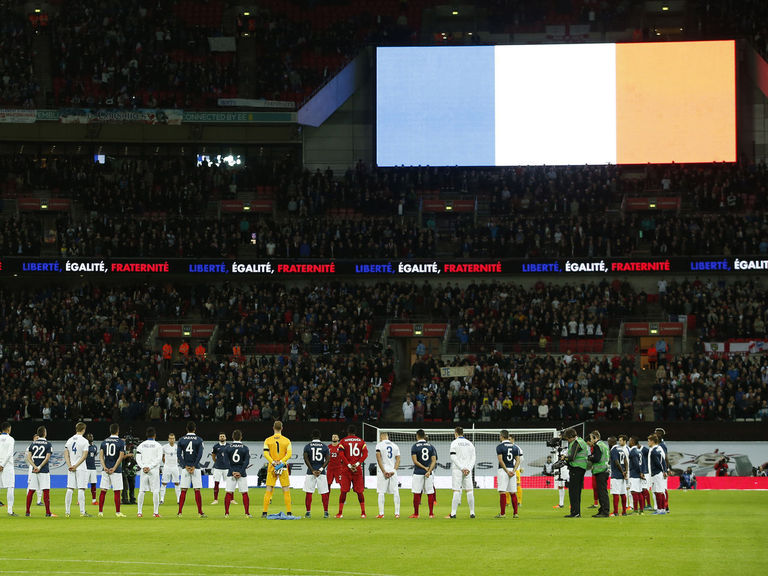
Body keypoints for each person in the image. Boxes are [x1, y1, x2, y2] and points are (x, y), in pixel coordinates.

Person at [262, 420, 293, 518]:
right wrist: (282, 462)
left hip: (272, 466)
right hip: (282, 467)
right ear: (282, 428)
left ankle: (264, 512)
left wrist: (273, 462)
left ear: (273, 428)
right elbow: (289, 454)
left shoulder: (268, 440)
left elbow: (265, 453)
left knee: (269, 489)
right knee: (286, 489)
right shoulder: (287, 440)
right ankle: (288, 512)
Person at [336, 424, 368, 518]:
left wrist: (349, 465)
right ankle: (363, 513)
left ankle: (340, 513)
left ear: (348, 432)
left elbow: (341, 455)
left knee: (343, 491)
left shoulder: (343, 441)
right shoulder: (361, 441)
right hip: (357, 469)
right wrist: (357, 464)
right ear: (355, 432)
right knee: (360, 492)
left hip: (346, 469)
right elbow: (365, 454)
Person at [177, 420, 206, 518]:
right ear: (195, 429)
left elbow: (179, 455)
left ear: (186, 429)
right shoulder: (199, 440)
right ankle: (200, 512)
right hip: (196, 468)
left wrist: (185, 465)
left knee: (183, 490)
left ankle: (180, 512)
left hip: (185, 468)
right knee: (197, 490)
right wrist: (194, 465)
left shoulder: (181, 440)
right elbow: (200, 454)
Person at [98, 423, 126, 518]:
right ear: (118, 430)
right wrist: (114, 468)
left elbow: (101, 456)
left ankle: (100, 512)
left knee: (103, 490)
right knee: (117, 491)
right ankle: (118, 512)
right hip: (116, 470)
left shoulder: (104, 441)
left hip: (105, 469)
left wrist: (104, 466)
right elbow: (121, 456)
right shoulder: (121, 442)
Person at [25, 426, 55, 517]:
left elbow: (28, 458)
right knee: (46, 491)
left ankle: (27, 512)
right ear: (44, 433)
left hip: (34, 471)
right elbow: (47, 457)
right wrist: (40, 466)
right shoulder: (48, 444)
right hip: (44, 470)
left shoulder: (33, 444)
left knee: (31, 491)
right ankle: (48, 512)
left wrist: (35, 467)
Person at [447, 426, 476, 519]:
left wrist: (461, 467)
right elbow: (473, 458)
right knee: (469, 490)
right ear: (463, 433)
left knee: (456, 490)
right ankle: (472, 513)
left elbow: (453, 457)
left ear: (455, 433)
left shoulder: (454, 443)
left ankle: (453, 513)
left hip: (457, 470)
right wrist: (468, 468)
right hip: (468, 470)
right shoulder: (470, 443)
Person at [135, 427, 163, 518]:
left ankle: (139, 512)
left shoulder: (141, 445)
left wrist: (143, 467)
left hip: (144, 471)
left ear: (146, 435)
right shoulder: (158, 445)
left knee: (142, 490)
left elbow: (138, 458)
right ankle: (155, 513)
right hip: (153, 470)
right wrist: (150, 467)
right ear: (154, 435)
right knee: (155, 491)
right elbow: (159, 459)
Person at [64, 421, 90, 518]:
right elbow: (84, 456)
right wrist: (76, 465)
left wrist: (70, 465)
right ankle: (82, 512)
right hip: (81, 467)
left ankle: (67, 512)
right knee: (81, 489)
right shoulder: (84, 441)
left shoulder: (69, 440)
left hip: (71, 467)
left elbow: (66, 454)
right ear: (83, 430)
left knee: (70, 488)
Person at [302, 429, 330, 518]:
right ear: (319, 436)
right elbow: (328, 459)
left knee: (309, 492)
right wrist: (321, 469)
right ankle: (326, 512)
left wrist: (312, 470)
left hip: (311, 472)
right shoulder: (325, 447)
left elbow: (306, 459)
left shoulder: (307, 446)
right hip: (321, 473)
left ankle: (308, 512)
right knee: (324, 493)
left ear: (312, 436)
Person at [409, 429, 437, 518]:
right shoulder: (431, 446)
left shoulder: (415, 446)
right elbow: (434, 460)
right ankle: (431, 514)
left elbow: (415, 461)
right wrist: (429, 470)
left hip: (418, 472)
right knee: (430, 492)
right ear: (424, 436)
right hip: (428, 473)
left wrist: (424, 468)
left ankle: (416, 514)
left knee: (417, 492)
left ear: (417, 436)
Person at [224, 430, 251, 517]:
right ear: (241, 437)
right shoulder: (245, 448)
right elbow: (246, 461)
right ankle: (247, 513)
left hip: (231, 473)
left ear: (232, 437)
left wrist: (232, 471)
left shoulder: (227, 448)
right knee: (244, 493)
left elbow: (226, 461)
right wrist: (241, 471)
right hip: (241, 473)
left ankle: (227, 513)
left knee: (228, 492)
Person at [562, 427, 588, 518]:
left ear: (571, 437)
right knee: (576, 491)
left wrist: (564, 458)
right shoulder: (581, 441)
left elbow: (572, 457)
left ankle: (575, 512)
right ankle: (576, 512)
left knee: (573, 491)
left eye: (568, 438)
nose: (568, 441)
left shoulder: (576, 443)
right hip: (581, 468)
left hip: (576, 468)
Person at [374, 432, 401, 519]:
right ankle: (397, 513)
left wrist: (383, 471)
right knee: (396, 491)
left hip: (383, 470)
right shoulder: (395, 445)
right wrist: (394, 470)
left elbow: (378, 458)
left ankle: (381, 513)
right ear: (387, 437)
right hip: (392, 470)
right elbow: (398, 459)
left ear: (381, 437)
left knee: (381, 492)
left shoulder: (379, 445)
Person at [495, 430, 521, 518]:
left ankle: (502, 514)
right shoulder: (515, 447)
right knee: (513, 492)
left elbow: (500, 460)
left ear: (502, 436)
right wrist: (514, 470)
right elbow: (518, 460)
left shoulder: (499, 447)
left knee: (502, 491)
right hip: (512, 470)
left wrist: (506, 471)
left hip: (503, 470)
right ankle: (515, 513)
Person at [588, 430, 610, 518]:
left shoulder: (597, 446)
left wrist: (589, 457)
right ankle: (602, 510)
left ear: (595, 438)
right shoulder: (604, 445)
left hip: (600, 471)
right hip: (605, 470)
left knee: (602, 492)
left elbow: (596, 458)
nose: (590, 440)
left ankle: (605, 511)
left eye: (591, 438)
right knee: (603, 491)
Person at [608, 436, 629, 516]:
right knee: (623, 493)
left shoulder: (613, 450)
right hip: (622, 475)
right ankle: (624, 512)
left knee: (615, 493)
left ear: (611, 442)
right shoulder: (621, 449)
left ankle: (616, 512)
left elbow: (616, 461)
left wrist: (622, 471)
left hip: (616, 475)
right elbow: (625, 461)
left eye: (608, 442)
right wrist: (625, 472)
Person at [648, 433, 668, 514]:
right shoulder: (658, 449)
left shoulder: (654, 451)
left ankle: (660, 509)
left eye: (649, 441)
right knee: (659, 491)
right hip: (657, 473)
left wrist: (663, 471)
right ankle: (661, 509)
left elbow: (659, 462)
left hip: (657, 473)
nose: (648, 443)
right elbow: (662, 460)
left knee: (658, 491)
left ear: (652, 441)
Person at [0, 422, 16, 516]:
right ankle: (10, 510)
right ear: (8, 429)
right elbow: (9, 453)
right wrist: (2, 465)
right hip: (7, 465)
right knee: (10, 487)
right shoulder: (11, 439)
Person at [161, 433, 181, 505]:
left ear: (175, 439)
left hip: (175, 467)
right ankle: (162, 499)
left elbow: (179, 457)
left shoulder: (178, 447)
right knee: (164, 483)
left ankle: (179, 500)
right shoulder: (164, 447)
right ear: (168, 439)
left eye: (173, 438)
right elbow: (162, 457)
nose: (172, 440)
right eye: (170, 438)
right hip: (167, 467)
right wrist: (166, 463)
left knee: (177, 483)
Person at [627, 436, 645, 514]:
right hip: (639, 474)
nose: (629, 442)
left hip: (635, 474)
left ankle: (635, 510)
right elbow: (643, 463)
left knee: (634, 492)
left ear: (633, 442)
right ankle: (641, 510)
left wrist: (639, 472)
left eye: (630, 440)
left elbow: (636, 464)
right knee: (639, 492)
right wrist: (642, 472)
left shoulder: (633, 452)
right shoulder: (639, 451)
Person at [210, 432, 229, 505]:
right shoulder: (215, 446)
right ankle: (215, 499)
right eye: (220, 436)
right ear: (219, 438)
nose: (222, 437)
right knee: (216, 483)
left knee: (229, 484)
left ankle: (231, 499)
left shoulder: (229, 446)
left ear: (225, 438)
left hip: (227, 468)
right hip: (217, 468)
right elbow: (213, 456)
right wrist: (217, 462)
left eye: (223, 436)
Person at [654, 427, 670, 512]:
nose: (654, 434)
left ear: (659, 435)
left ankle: (665, 507)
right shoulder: (659, 444)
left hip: (662, 470)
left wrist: (666, 469)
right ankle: (662, 506)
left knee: (663, 489)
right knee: (661, 489)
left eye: (656, 433)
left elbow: (665, 457)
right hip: (660, 470)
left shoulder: (662, 445)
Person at [26, 433, 43, 508]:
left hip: (40, 467)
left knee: (40, 484)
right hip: (32, 467)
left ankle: (39, 501)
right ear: (33, 439)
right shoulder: (30, 447)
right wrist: (31, 465)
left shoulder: (42, 446)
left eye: (38, 438)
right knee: (30, 484)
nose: (37, 440)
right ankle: (28, 499)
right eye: (36, 438)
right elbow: (27, 458)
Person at [85, 434, 98, 504]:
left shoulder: (95, 447)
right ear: (86, 438)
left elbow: (94, 455)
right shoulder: (84, 446)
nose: (91, 438)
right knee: (83, 485)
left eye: (92, 436)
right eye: (89, 437)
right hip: (85, 468)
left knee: (93, 484)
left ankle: (94, 500)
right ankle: (80, 500)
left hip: (93, 468)